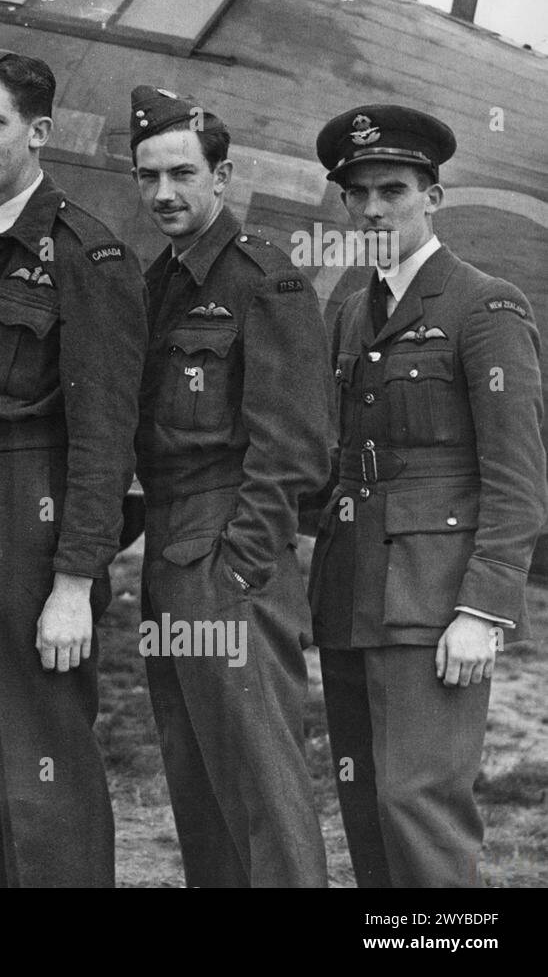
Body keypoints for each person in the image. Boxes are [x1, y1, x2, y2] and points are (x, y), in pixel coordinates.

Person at [309, 104, 547, 887]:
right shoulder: (353, 310)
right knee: (368, 802)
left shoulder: (486, 307)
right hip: (354, 593)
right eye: (359, 194)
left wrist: (483, 611)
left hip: (436, 601)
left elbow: (517, 482)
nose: (375, 209)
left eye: (395, 190)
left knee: (420, 803)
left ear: (433, 196)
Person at [0, 48, 146, 888]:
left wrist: (73, 582)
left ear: (39, 133)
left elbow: (105, 437)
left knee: (44, 764)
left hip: (36, 519)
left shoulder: (86, 255)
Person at [131, 84, 331, 887]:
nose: (164, 194)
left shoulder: (266, 282)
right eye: (148, 177)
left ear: (223, 176)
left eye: (183, 173)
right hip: (173, 554)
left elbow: (294, 449)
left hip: (226, 553)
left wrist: (241, 563)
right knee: (198, 773)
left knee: (259, 778)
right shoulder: (162, 282)